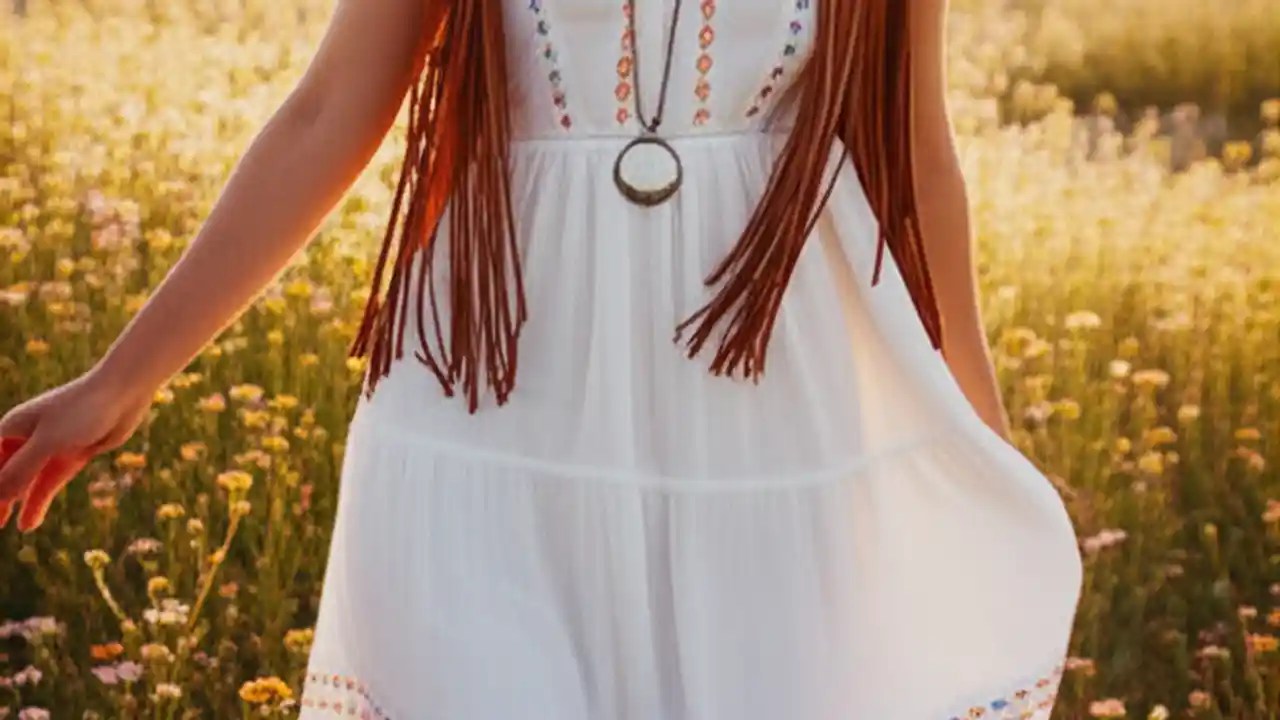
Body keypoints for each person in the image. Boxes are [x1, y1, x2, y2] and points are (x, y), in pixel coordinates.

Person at [0, 0, 1085, 716]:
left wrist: (974, 430)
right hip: (495, 403)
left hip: (763, 420)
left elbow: (912, 157)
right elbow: (329, 111)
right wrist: (122, 378)